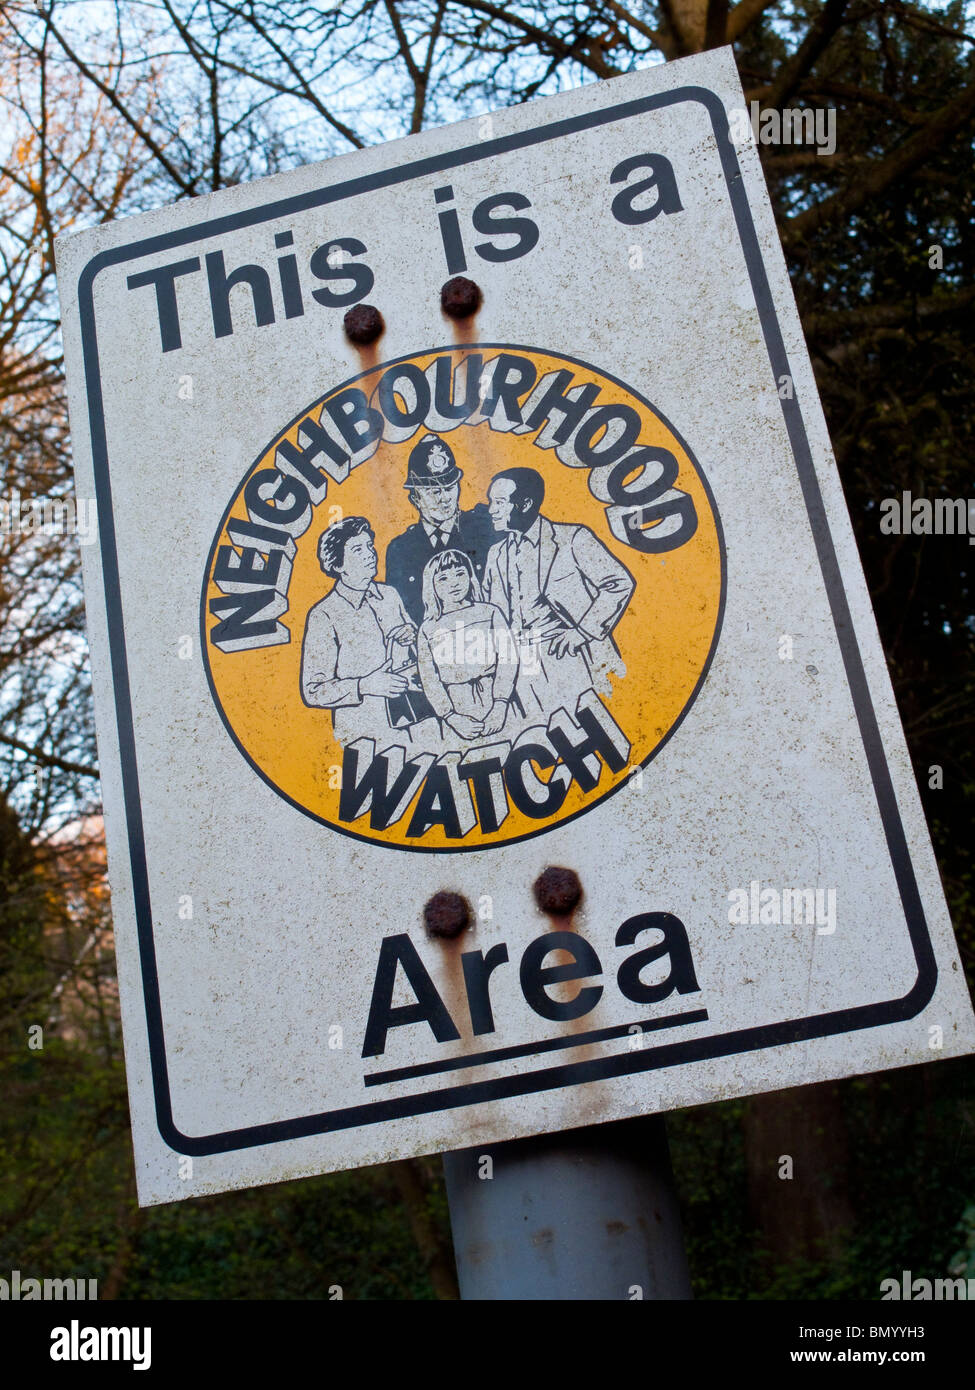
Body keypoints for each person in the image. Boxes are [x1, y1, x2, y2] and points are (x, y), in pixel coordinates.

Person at [483, 467, 635, 717]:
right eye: (491, 501)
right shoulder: (495, 555)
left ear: (525, 504)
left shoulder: (572, 538)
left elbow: (618, 583)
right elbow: (490, 612)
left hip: (570, 656)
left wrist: (582, 632)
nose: (491, 509)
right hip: (520, 667)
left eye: (499, 502)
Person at [300, 516, 415, 746]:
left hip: (413, 722)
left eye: (369, 546)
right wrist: (364, 685)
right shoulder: (323, 615)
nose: (370, 554)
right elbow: (313, 691)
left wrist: (413, 636)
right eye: (357, 549)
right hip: (364, 734)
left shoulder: (390, 595)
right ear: (337, 564)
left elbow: (419, 649)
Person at [385, 433, 495, 625]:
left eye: (450, 487)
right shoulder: (400, 550)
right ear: (415, 498)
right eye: (434, 491)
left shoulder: (483, 526)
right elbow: (398, 615)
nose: (445, 498)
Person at [416, 549, 518, 742]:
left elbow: (508, 659)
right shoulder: (428, 629)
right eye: (443, 578)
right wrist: (450, 717)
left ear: (470, 577)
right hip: (456, 706)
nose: (453, 583)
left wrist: (500, 705)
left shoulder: (490, 612)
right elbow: (429, 679)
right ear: (432, 586)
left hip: (496, 696)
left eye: (460, 574)